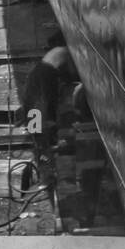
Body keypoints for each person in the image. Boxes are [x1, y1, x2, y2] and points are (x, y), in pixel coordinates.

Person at [20, 45, 76, 183]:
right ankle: (45, 155)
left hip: (42, 74)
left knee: (37, 111)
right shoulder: (68, 52)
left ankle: (44, 148)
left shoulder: (62, 53)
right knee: (40, 110)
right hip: (46, 74)